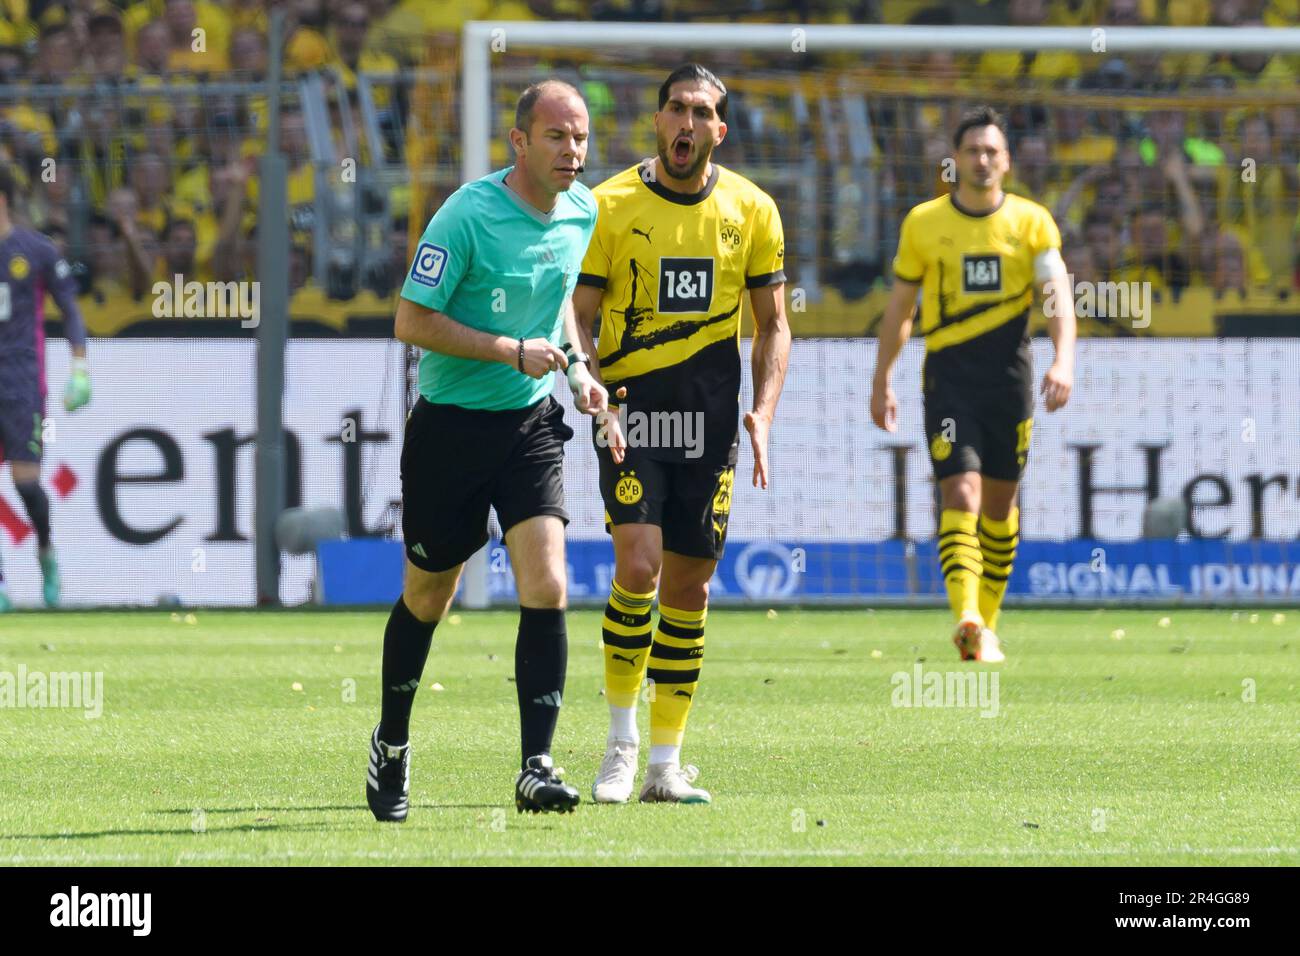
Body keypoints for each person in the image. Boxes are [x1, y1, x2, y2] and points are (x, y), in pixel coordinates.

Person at [365, 81, 607, 820]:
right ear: (520, 141)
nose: (573, 151)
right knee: (427, 596)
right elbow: (410, 320)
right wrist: (510, 350)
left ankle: (536, 764)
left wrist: (578, 366)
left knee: (548, 583)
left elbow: (561, 296)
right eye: (558, 137)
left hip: (529, 427)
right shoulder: (467, 214)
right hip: (449, 429)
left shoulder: (584, 211)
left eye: (581, 137)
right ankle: (393, 744)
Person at [572, 64, 790, 804]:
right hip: (630, 415)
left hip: (711, 423)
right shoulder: (609, 205)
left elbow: (774, 326)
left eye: (702, 113)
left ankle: (666, 764)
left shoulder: (754, 210)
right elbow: (579, 312)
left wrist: (764, 411)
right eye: (676, 110)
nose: (687, 124)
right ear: (657, 121)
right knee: (639, 566)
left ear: (718, 131)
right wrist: (588, 379)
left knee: (690, 590)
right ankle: (620, 744)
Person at [870, 106, 1077, 662]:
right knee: (960, 492)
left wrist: (1064, 361)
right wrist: (882, 377)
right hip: (948, 381)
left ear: (1006, 161)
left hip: (1010, 381)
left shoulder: (1032, 223)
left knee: (1000, 508)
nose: (982, 160)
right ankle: (965, 614)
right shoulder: (923, 223)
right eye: (972, 151)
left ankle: (985, 624)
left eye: (992, 151)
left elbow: (1056, 296)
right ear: (954, 160)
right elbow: (900, 310)